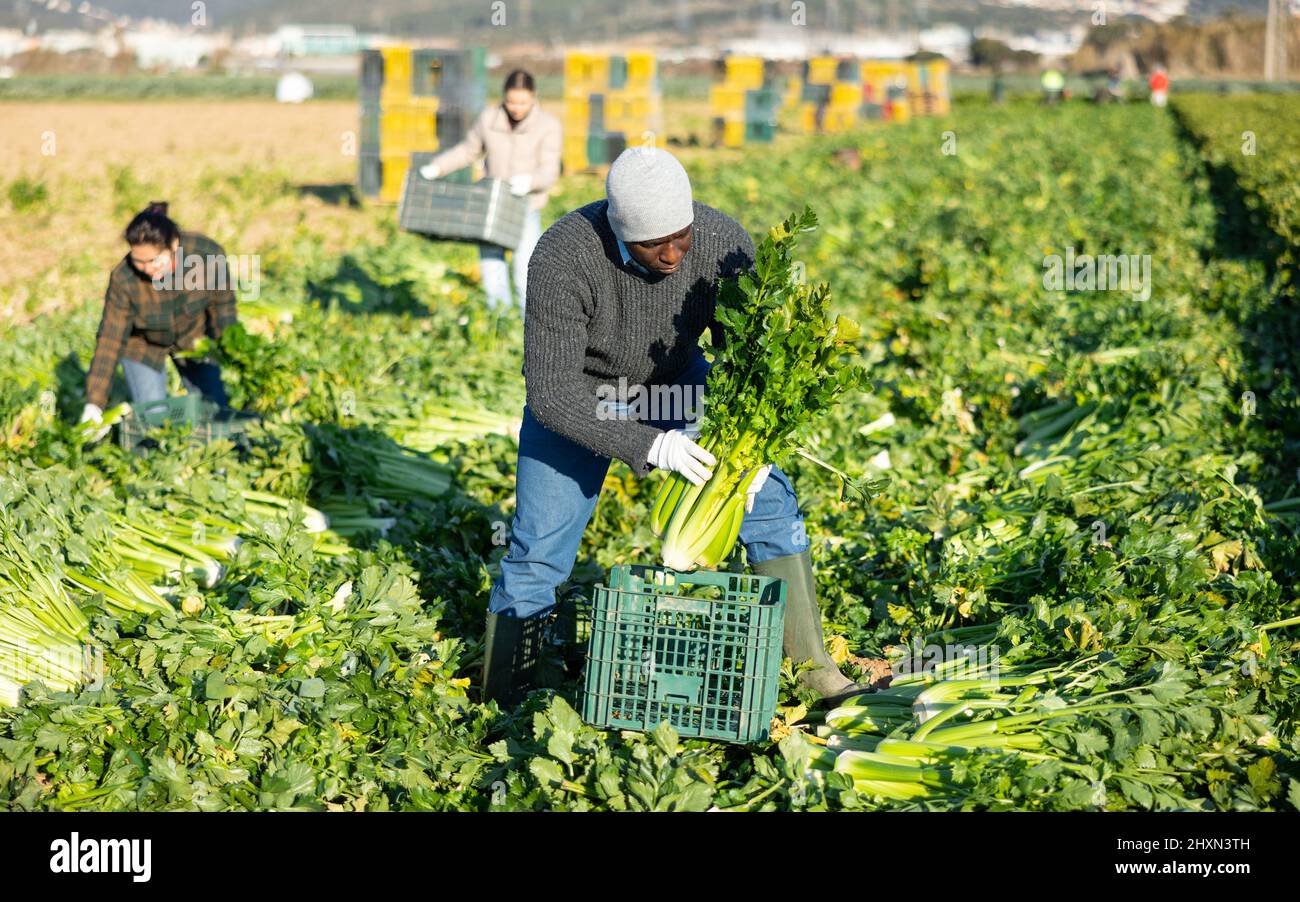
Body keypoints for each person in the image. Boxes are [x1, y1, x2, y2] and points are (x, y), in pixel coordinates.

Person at [481, 146, 872, 707]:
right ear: (617, 228)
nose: (671, 255)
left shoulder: (720, 241)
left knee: (771, 505)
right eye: (651, 244)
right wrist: (649, 445)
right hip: (584, 396)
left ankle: (811, 668)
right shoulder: (563, 254)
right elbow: (551, 393)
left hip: (676, 383)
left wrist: (751, 449)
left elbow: (751, 359)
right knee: (539, 547)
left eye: (679, 237)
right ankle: (506, 700)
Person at [80, 202, 234, 439]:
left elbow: (222, 306)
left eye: (153, 261)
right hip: (143, 346)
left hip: (194, 339)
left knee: (214, 406)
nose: (146, 268)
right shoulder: (124, 279)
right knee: (153, 418)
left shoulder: (205, 254)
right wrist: (95, 402)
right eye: (138, 261)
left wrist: (231, 348)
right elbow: (110, 338)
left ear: (174, 245)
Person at [419, 70, 561, 314]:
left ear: (534, 97)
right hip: (491, 206)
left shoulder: (548, 126)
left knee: (524, 270)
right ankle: (500, 321)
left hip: (524, 207)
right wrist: (437, 167)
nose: (517, 108)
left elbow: (550, 170)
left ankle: (531, 325)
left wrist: (530, 182)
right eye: (511, 102)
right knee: (491, 267)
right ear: (504, 97)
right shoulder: (488, 119)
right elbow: (468, 151)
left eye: (523, 102)